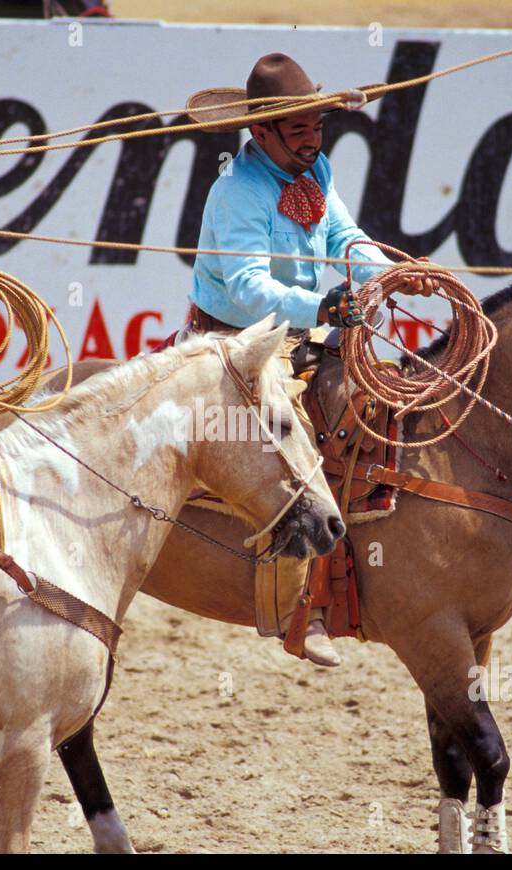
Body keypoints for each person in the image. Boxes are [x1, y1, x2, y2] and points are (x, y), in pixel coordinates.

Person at [184, 53, 440, 667]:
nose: (312, 138)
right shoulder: (237, 192)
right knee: (291, 443)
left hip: (298, 335)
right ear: (261, 131)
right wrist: (322, 306)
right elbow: (245, 287)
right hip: (236, 345)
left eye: (318, 126)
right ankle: (304, 607)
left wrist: (394, 273)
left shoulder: (315, 170)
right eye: (298, 129)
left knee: (365, 408)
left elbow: (344, 238)